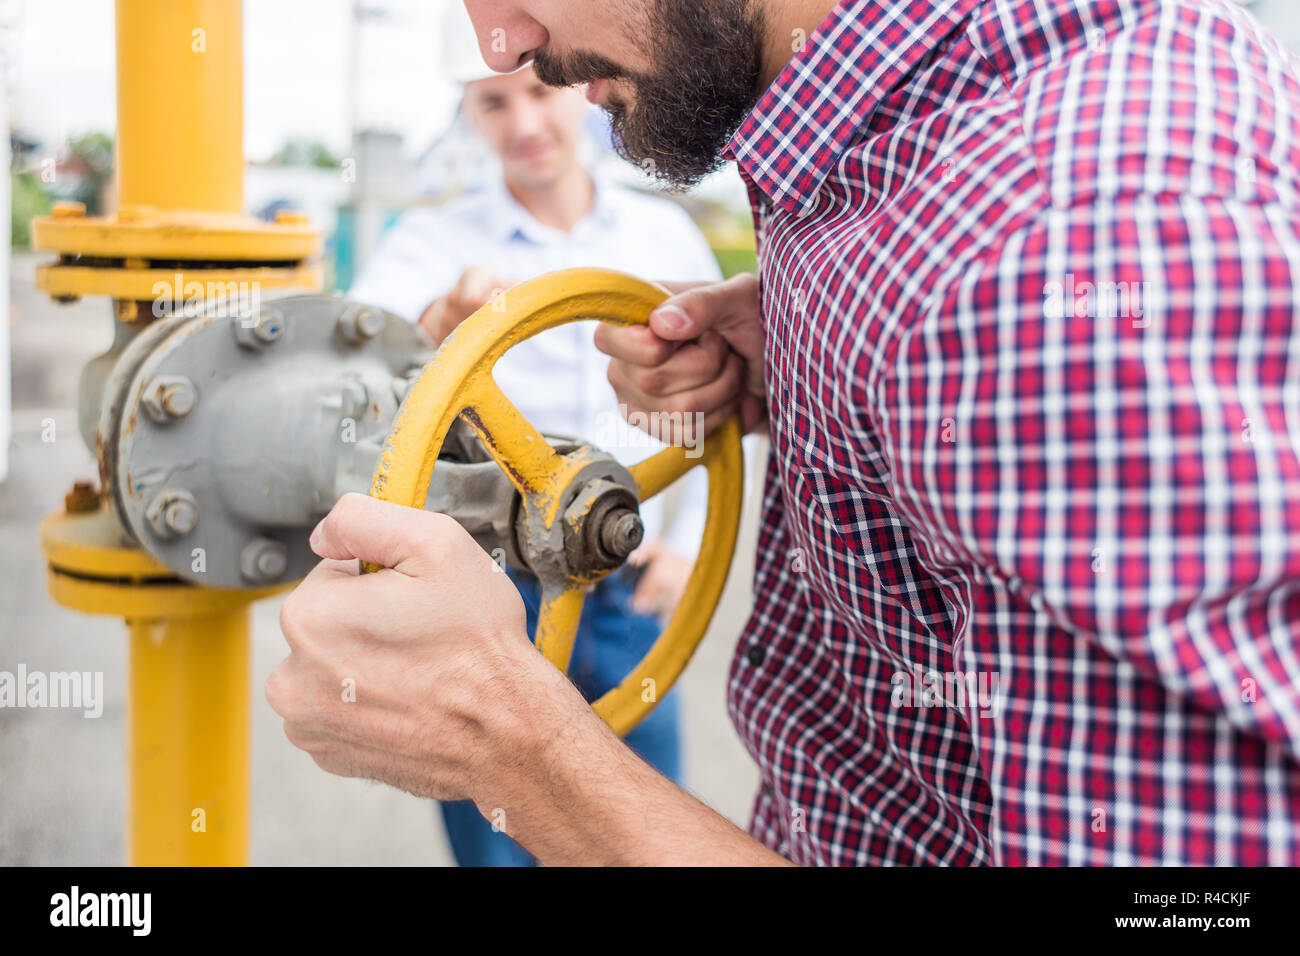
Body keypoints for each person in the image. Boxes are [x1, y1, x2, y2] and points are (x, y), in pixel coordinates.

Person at [269, 0, 1300, 865]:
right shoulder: (878, 153)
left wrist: (515, 750)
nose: (503, 39)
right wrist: (800, 366)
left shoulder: (1056, 243)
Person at [344, 1, 722, 866]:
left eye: (533, 96)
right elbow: (359, 353)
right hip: (485, 590)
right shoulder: (432, 244)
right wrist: (435, 321)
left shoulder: (663, 235)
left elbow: (707, 412)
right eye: (492, 105)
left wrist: (691, 542)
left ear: (575, 87)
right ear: (467, 115)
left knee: (648, 828)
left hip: (628, 580)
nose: (523, 124)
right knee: (499, 844)